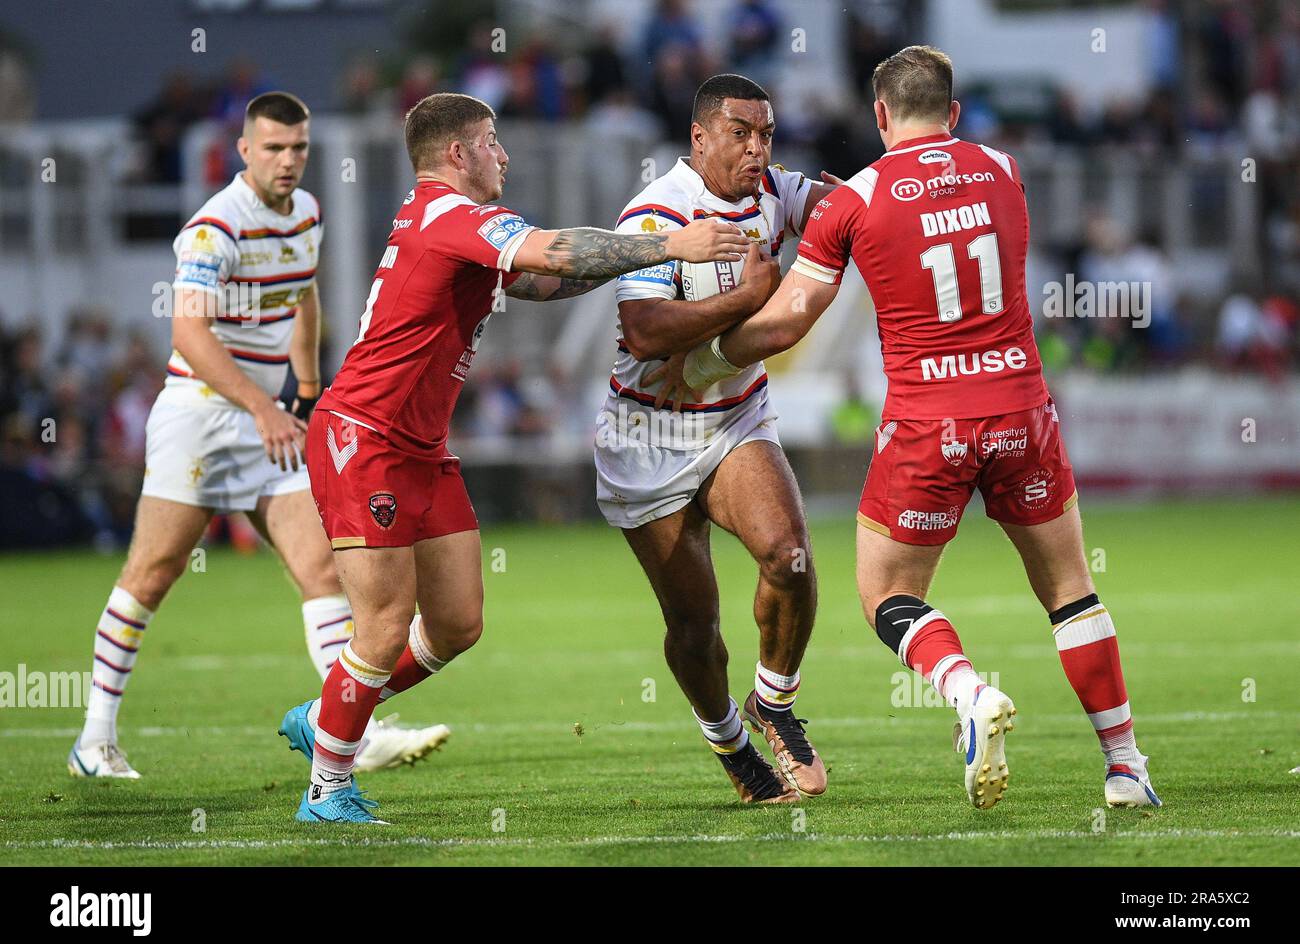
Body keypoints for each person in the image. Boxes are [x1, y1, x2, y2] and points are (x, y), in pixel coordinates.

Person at [674, 47, 1161, 811]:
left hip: (930, 420)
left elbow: (791, 320)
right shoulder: (1003, 169)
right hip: (1023, 407)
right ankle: (1126, 766)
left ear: (878, 115)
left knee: (887, 595)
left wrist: (704, 362)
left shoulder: (857, 199)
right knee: (1071, 590)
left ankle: (967, 692)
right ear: (955, 113)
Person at [281, 92, 749, 823]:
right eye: (492, 141)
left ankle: (326, 714)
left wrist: (633, 258)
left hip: (420, 449)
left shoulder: (456, 228)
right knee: (379, 625)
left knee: (457, 624)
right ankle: (327, 789)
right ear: (458, 154)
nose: (504, 154)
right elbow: (553, 249)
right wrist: (666, 245)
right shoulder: (452, 215)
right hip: (362, 440)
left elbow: (543, 279)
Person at [68, 92, 447, 781]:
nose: (288, 160)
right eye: (273, 148)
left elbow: (303, 295)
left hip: (267, 421)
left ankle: (348, 736)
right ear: (244, 150)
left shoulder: (305, 213)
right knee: (154, 573)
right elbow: (188, 331)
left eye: (298, 147)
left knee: (323, 570)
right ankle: (94, 738)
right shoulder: (217, 227)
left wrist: (304, 387)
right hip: (202, 418)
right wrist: (264, 408)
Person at [598, 74, 841, 804]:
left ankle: (776, 702)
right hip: (647, 432)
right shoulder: (652, 216)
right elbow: (643, 333)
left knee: (788, 555)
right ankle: (730, 742)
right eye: (742, 133)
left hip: (735, 416)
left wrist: (870, 196)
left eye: (766, 134)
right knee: (696, 627)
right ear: (701, 136)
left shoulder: (775, 190)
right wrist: (746, 296)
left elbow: (841, 211)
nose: (758, 148)